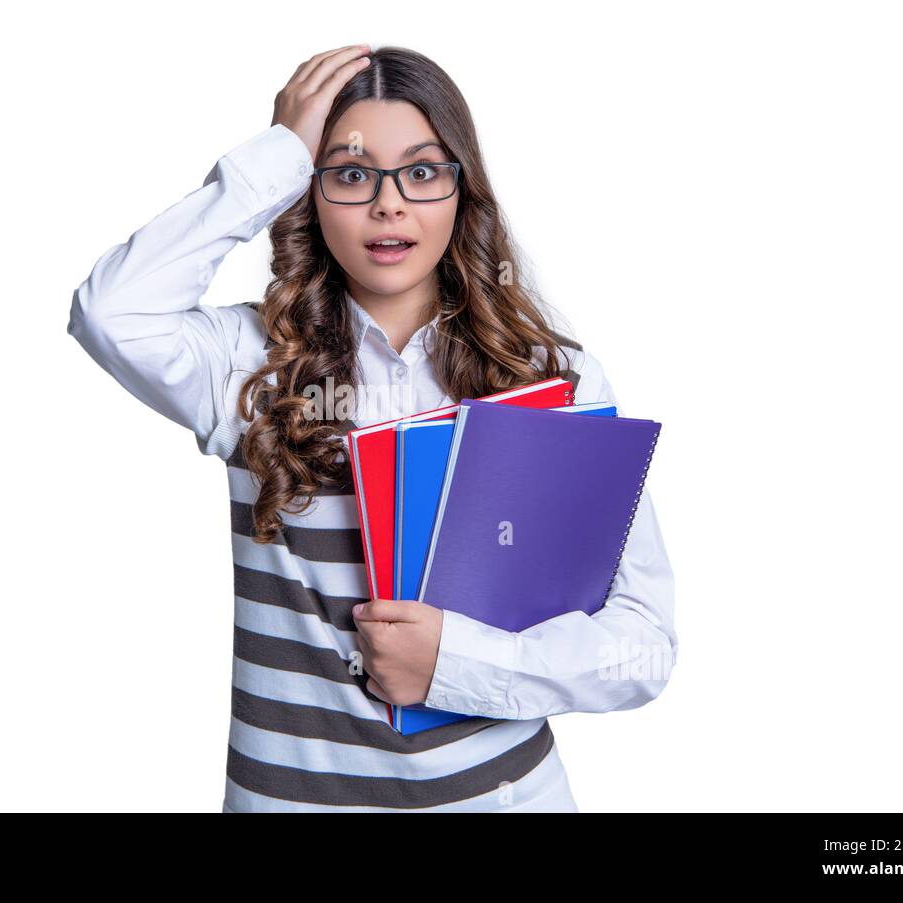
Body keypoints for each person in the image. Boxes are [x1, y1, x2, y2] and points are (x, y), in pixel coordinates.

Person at [67, 43, 677, 812]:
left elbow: (641, 645)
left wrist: (455, 662)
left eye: (422, 171)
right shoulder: (247, 367)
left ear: (463, 190)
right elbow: (110, 312)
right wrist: (277, 153)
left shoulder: (553, 380)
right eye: (351, 174)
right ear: (309, 193)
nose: (389, 204)